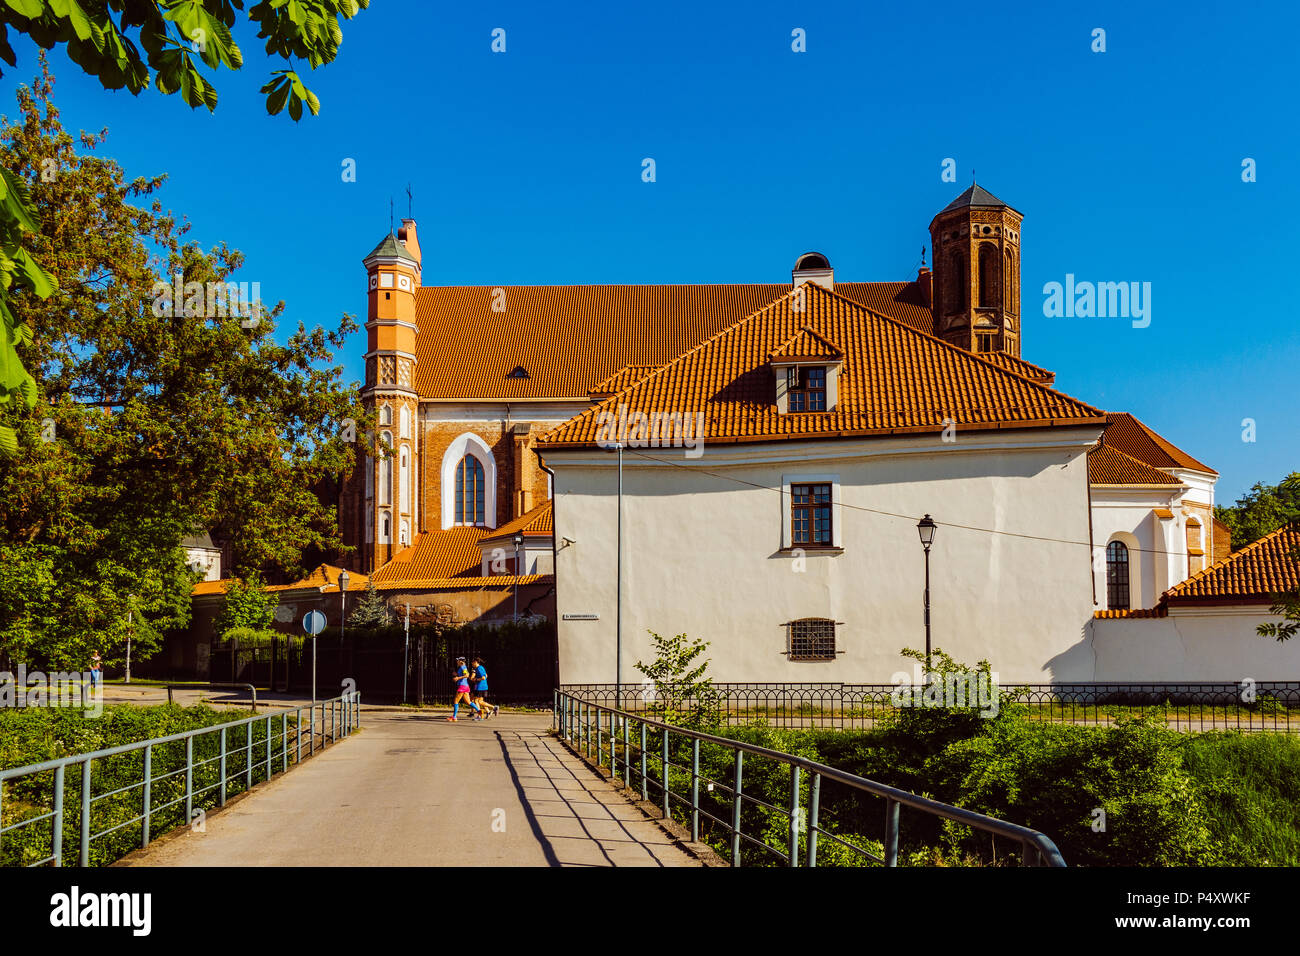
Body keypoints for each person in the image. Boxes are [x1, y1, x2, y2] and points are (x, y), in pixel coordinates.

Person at [447, 656, 481, 721]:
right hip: (466, 686)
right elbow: (463, 675)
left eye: (458, 660)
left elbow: (467, 675)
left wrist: (457, 678)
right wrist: (456, 674)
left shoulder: (463, 667)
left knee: (456, 701)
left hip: (462, 686)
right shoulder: (461, 667)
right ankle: (479, 712)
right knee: (468, 702)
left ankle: (454, 717)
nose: (457, 662)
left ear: (461, 661)